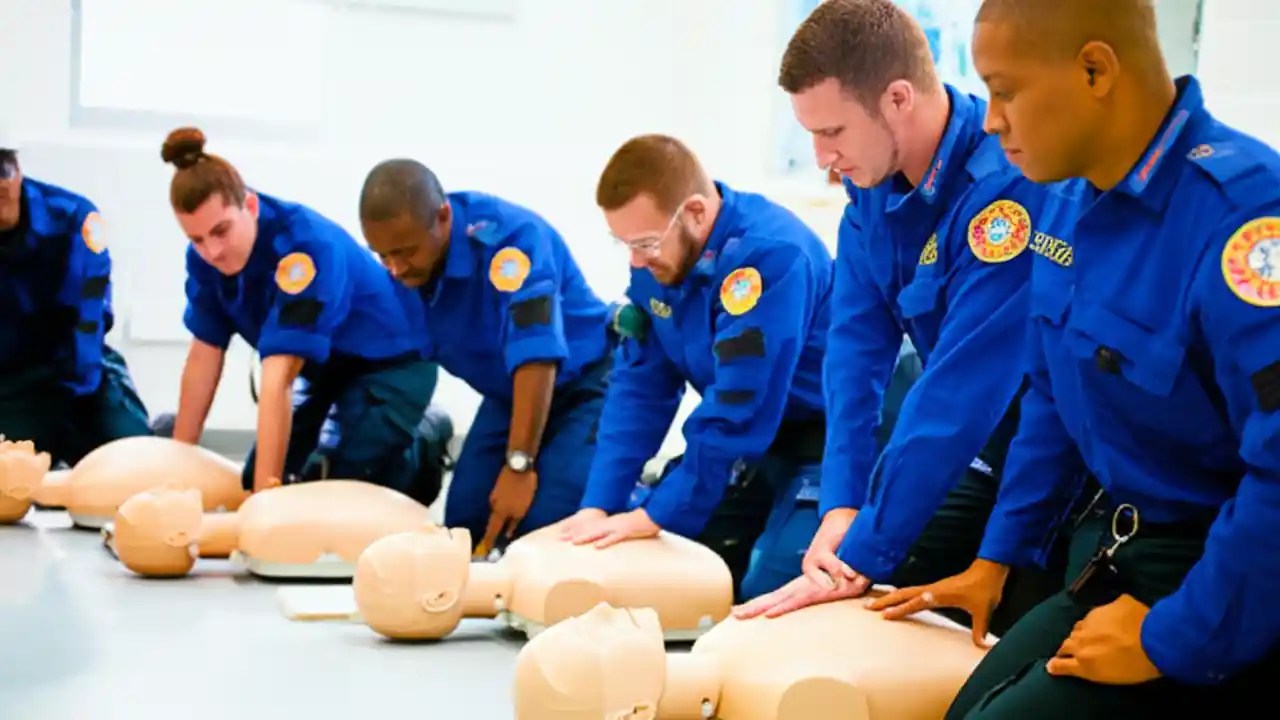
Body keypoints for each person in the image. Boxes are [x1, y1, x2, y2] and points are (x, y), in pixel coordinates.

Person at [880, 1, 1280, 717]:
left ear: (1095, 70)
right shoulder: (1067, 203)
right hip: (1118, 548)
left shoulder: (1244, 221)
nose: (992, 120)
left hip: (1224, 576)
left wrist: (1169, 640)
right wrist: (999, 556)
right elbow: (1052, 400)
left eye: (1005, 90)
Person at [734, 0, 1057, 634]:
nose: (821, 157)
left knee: (878, 593)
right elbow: (854, 358)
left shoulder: (1007, 190)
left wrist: (863, 552)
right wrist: (841, 503)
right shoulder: (872, 186)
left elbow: (959, 396)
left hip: (1039, 447)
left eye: (833, 132)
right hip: (965, 437)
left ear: (898, 99)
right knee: (795, 585)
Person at [556, 134, 834, 600]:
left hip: (826, 445)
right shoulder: (658, 262)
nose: (635, 260)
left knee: (768, 591)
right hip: (753, 448)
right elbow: (639, 389)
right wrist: (599, 505)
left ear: (696, 213)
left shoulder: (767, 259)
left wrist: (654, 515)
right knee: (659, 570)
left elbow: (739, 406)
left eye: (645, 243)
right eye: (624, 244)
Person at [161, 128, 441, 500]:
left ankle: (424, 440)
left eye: (221, 231)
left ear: (250, 206)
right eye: (197, 239)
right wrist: (177, 472)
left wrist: (263, 503)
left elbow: (278, 377)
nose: (212, 251)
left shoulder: (305, 249)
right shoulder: (206, 259)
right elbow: (204, 355)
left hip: (394, 362)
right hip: (324, 369)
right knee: (266, 476)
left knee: (336, 482)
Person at [358, 159, 613, 556]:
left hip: (587, 383)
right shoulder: (401, 269)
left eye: (405, 252)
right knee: (465, 523)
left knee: (543, 528)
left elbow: (537, 359)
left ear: (443, 217)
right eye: (383, 255)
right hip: (509, 394)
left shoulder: (511, 242)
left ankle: (627, 491)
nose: (394, 268)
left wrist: (519, 466)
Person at [0, 129, 151, 465]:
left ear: (18, 169)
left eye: (3, 171)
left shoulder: (76, 217)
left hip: (79, 370)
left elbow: (90, 316)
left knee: (136, 461)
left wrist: (74, 404)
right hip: (10, 382)